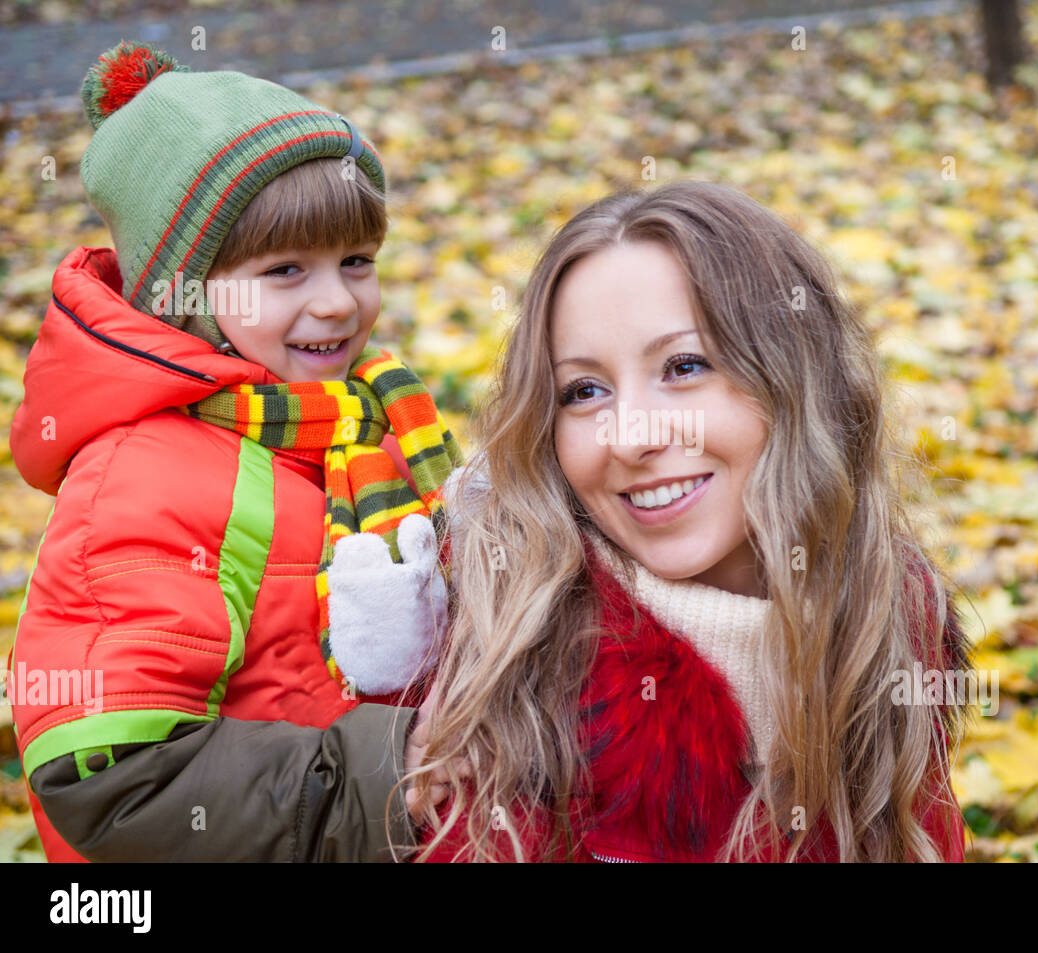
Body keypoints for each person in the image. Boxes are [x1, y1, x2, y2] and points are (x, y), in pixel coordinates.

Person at [406, 180, 974, 862]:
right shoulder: (504, 693)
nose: (630, 436)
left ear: (796, 381)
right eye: (584, 391)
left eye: (684, 366)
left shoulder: (886, 636)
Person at [6, 41, 463, 862]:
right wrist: (389, 770)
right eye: (285, 269)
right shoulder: (144, 478)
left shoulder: (362, 416)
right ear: (185, 297)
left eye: (356, 261)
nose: (336, 302)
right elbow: (114, 778)